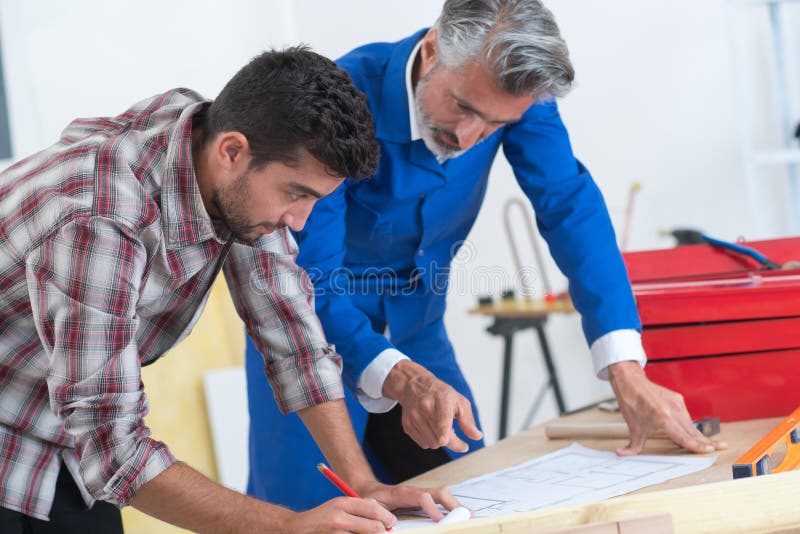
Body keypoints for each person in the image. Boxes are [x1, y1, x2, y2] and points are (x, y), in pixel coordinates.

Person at [244, 0, 727, 511]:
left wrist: (625, 369)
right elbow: (306, 280)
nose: (470, 137)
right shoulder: (338, 102)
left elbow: (569, 206)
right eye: (464, 108)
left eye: (494, 125)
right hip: (310, 339)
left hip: (419, 331)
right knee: (310, 511)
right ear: (431, 51)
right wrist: (396, 374)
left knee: (468, 498)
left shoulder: (515, 97)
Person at [0, 47, 459, 533]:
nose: (299, 221)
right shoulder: (101, 220)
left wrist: (364, 485)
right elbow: (113, 447)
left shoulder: (218, 158)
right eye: (296, 193)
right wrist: (287, 526)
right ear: (232, 151)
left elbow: (296, 342)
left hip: (57, 441)